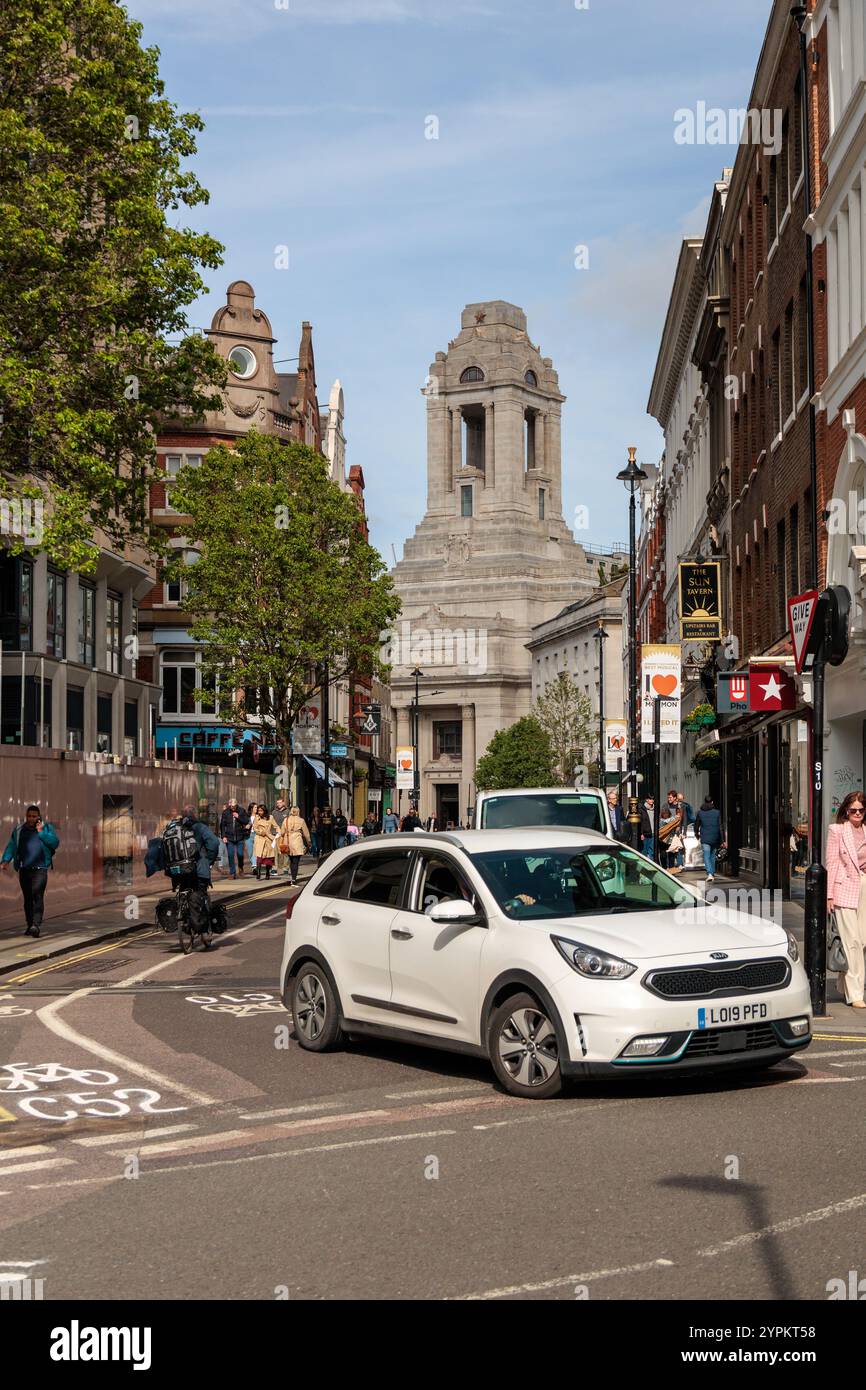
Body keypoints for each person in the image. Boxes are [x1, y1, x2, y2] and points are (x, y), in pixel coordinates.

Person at [827, 791, 866, 1009]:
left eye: (861, 810)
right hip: (844, 889)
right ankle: (856, 993)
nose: (857, 813)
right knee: (852, 942)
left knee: (863, 941)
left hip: (865, 886)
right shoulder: (837, 831)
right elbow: (832, 862)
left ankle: (843, 983)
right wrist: (829, 895)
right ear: (846, 811)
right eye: (853, 810)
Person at [158, 804, 220, 933]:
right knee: (199, 895)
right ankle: (199, 925)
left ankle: (182, 915)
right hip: (198, 869)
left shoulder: (175, 828)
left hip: (177, 870)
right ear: (195, 814)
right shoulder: (200, 827)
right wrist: (209, 860)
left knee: (184, 891)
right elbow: (214, 843)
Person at [1, 805, 60, 938]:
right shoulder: (19, 829)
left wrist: (42, 832)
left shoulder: (46, 828)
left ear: (38, 817)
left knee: (37, 895)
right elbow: (12, 846)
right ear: (26, 816)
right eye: (29, 816)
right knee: (28, 898)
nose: (31, 818)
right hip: (24, 868)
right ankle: (29, 924)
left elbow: (55, 843)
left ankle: (36, 925)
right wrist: (5, 860)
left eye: (34, 816)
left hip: (41, 869)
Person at [694, 796, 726, 882]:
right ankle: (712, 872)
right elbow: (721, 826)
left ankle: (710, 873)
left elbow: (696, 825)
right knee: (712, 855)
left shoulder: (700, 813)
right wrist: (723, 840)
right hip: (715, 837)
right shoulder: (717, 812)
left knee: (706, 855)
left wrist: (696, 833)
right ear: (712, 802)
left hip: (705, 836)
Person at [279, 806, 312, 887]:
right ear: (298, 812)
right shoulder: (301, 820)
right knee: (296, 862)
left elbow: (282, 832)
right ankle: (294, 880)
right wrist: (309, 842)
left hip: (288, 842)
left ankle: (292, 878)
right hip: (297, 842)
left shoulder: (286, 820)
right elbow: (306, 833)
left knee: (291, 861)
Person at [220, 798, 251, 878]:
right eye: (231, 806)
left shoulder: (241, 811)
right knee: (230, 855)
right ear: (229, 805)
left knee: (240, 854)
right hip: (229, 837)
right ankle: (232, 872)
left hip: (240, 836)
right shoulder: (225, 812)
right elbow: (222, 825)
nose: (233, 808)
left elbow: (246, 821)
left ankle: (240, 868)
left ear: (236, 804)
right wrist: (223, 836)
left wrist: (238, 817)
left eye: (234, 806)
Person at [252, 804, 280, 880]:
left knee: (268, 858)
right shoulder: (257, 818)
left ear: (265, 811)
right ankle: (258, 873)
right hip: (260, 838)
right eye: (258, 810)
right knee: (259, 857)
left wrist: (278, 833)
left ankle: (268, 873)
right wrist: (260, 832)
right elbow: (254, 828)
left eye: (261, 810)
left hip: (268, 839)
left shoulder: (270, 817)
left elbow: (276, 826)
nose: (259, 812)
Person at [659, 790, 683, 873]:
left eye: (670, 797)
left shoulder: (678, 807)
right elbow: (662, 818)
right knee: (663, 853)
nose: (669, 799)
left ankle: (671, 869)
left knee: (672, 852)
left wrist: (680, 831)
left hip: (673, 832)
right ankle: (665, 868)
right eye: (668, 797)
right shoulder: (665, 806)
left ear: (675, 798)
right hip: (664, 833)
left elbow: (680, 819)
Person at [272, 796, 291, 876]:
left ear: (283, 803)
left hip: (284, 835)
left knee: (285, 852)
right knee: (274, 853)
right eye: (277, 803)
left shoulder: (287, 812)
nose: (279, 804)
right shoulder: (274, 812)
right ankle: (274, 869)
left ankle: (285, 868)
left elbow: (289, 822)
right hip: (275, 835)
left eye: (280, 802)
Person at [640, 794, 655, 860]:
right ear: (646, 800)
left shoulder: (655, 809)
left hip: (653, 833)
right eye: (650, 799)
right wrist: (641, 833)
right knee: (644, 851)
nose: (652, 800)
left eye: (653, 799)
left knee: (652, 851)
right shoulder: (642, 809)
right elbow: (640, 822)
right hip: (645, 833)